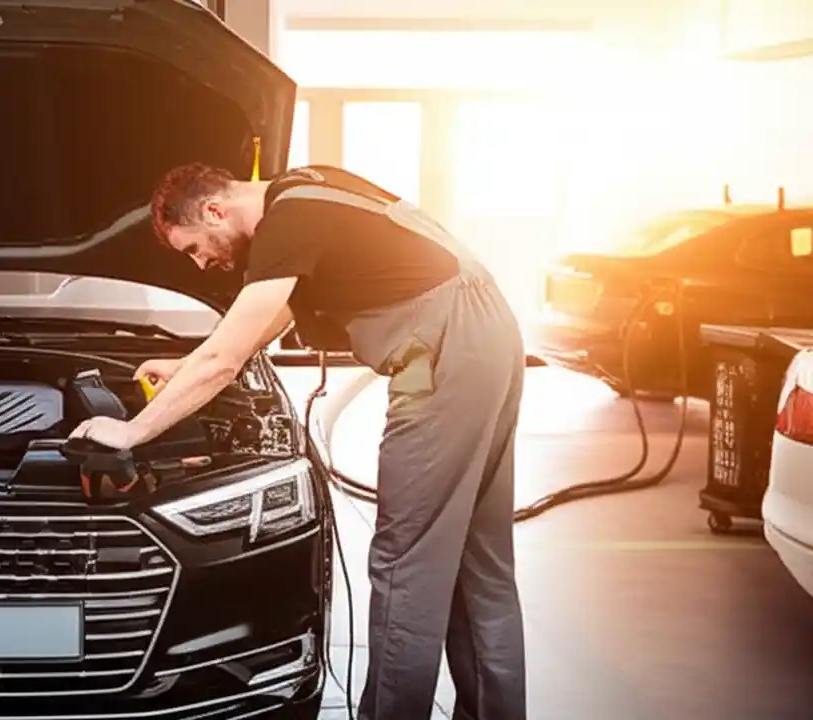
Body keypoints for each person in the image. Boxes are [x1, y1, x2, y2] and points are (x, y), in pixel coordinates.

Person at [69, 163, 526, 720]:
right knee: (480, 563)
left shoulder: (287, 220)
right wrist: (187, 364)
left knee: (405, 562)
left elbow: (225, 358)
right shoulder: (310, 189)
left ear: (215, 210)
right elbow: (255, 329)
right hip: (490, 335)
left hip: (449, 354)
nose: (202, 262)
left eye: (193, 248)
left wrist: (132, 430)